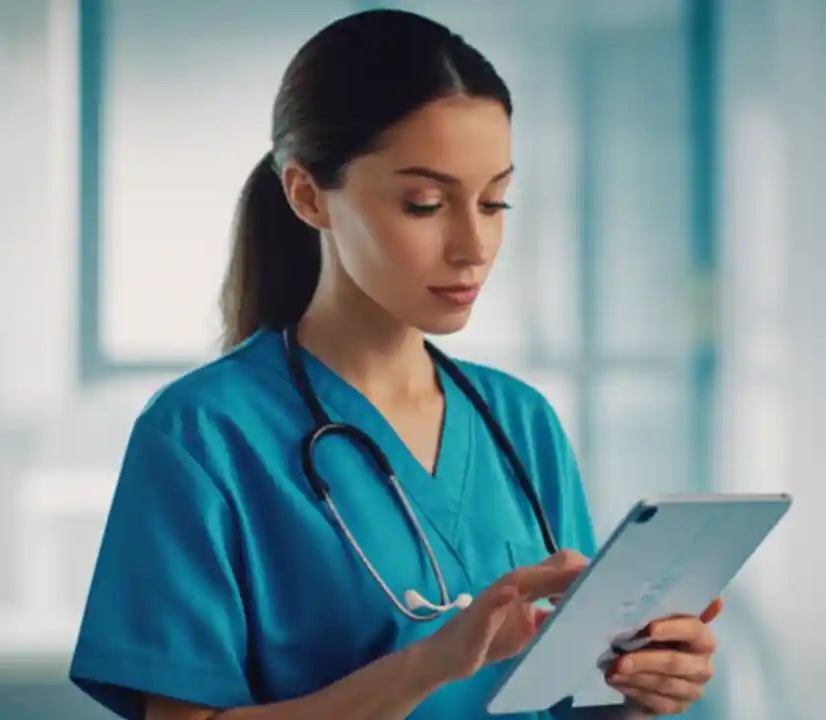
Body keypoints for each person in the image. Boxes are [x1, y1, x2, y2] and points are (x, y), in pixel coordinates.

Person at [69, 9, 721, 720]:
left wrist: (639, 692)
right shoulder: (203, 435)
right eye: (425, 203)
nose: (474, 245)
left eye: (494, 201)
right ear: (308, 196)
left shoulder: (520, 423)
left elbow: (571, 701)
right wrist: (430, 665)